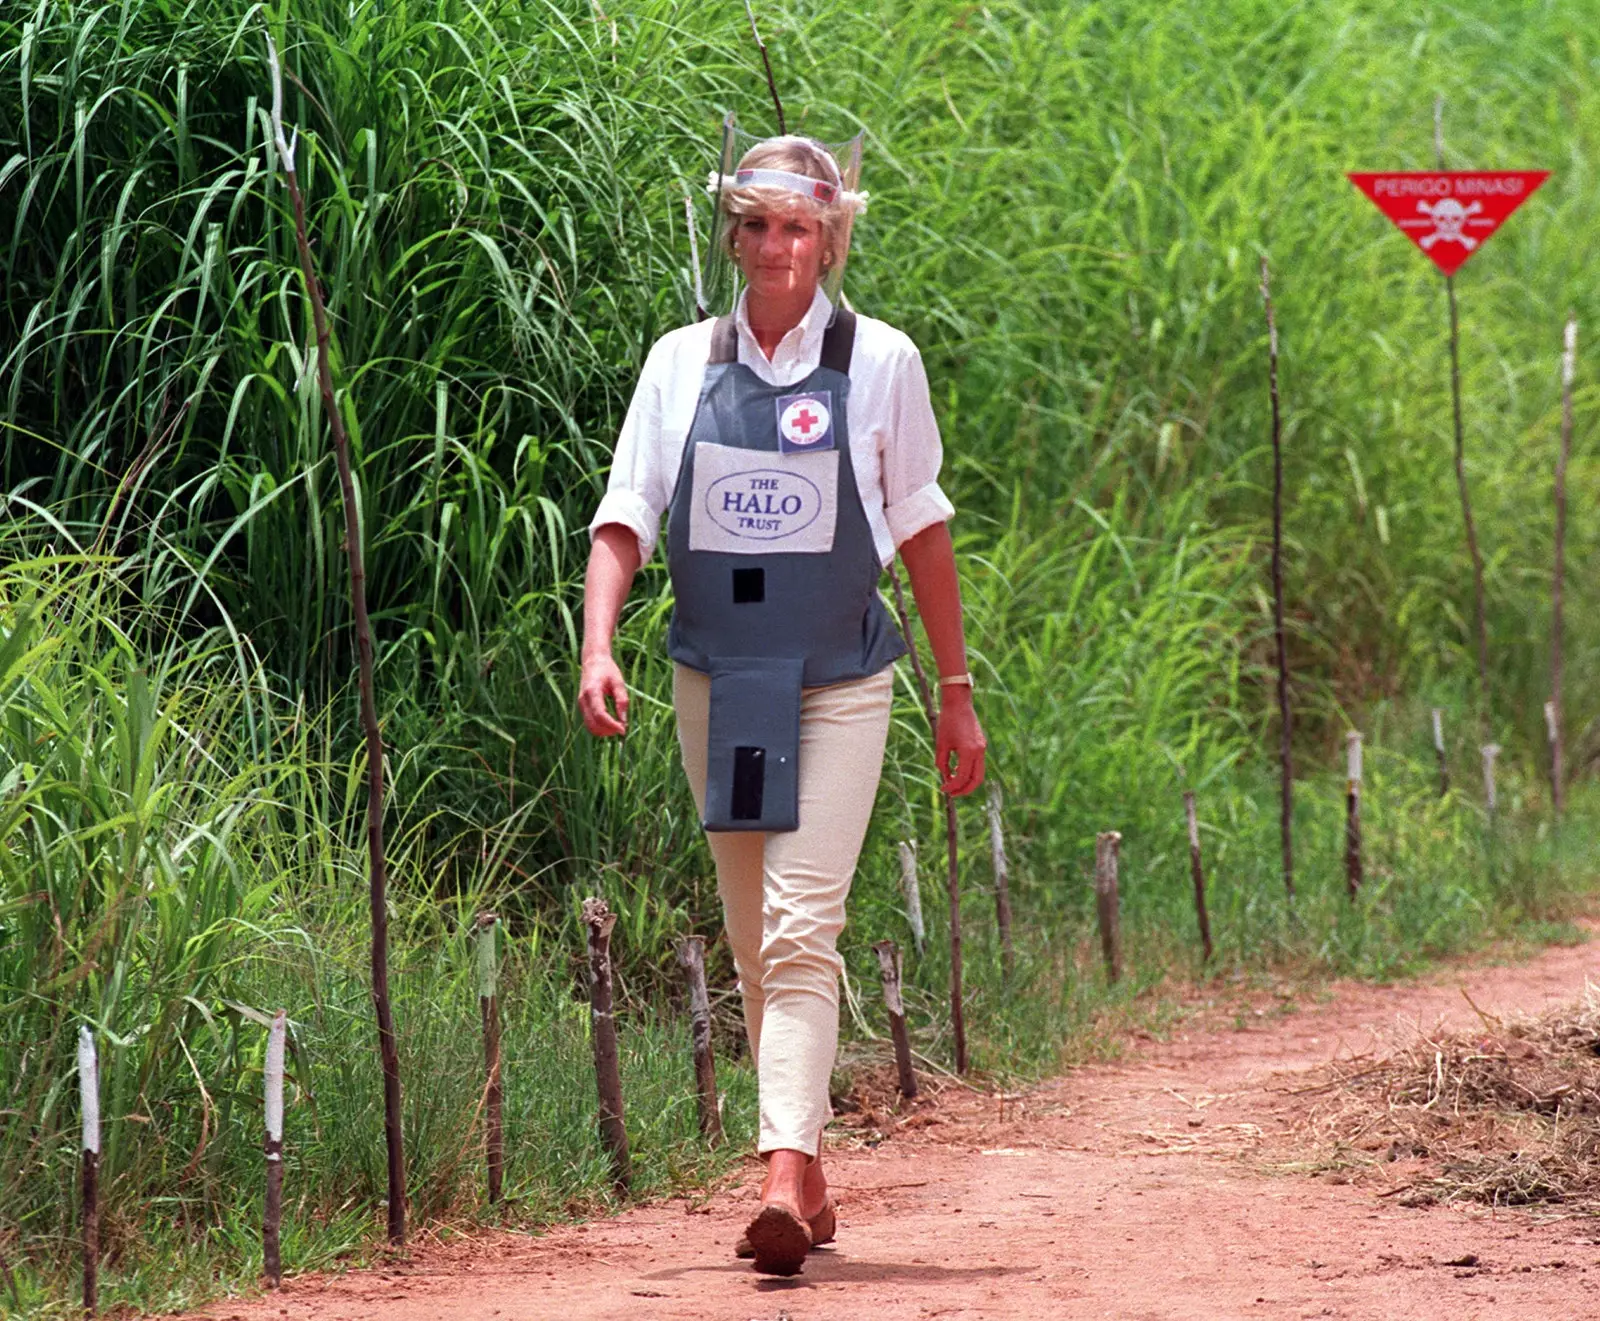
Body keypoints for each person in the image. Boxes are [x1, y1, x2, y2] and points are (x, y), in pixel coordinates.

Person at [578, 133, 985, 1276]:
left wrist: (956, 693)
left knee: (805, 924)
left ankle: (770, 1171)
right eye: (754, 225)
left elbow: (921, 529)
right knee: (759, 935)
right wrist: (597, 643)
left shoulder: (881, 361)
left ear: (831, 237)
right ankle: (806, 1170)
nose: (774, 248)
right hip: (720, 679)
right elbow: (627, 509)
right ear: (732, 232)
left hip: (842, 680)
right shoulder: (678, 362)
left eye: (796, 227)